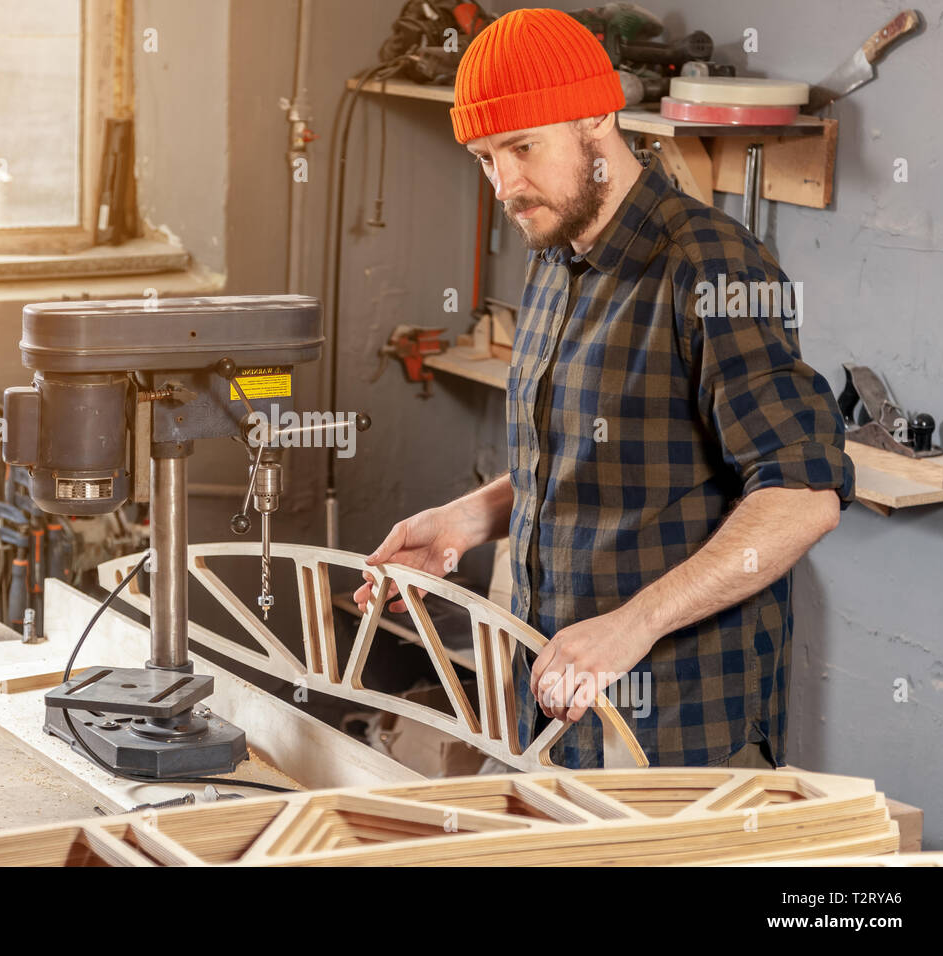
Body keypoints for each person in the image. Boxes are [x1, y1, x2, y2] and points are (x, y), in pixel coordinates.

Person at [352, 8, 854, 770]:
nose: (506, 186)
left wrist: (635, 624)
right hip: (551, 721)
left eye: (524, 147)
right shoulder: (556, 249)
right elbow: (583, 464)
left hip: (678, 740)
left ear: (597, 115)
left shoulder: (714, 266)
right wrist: (465, 519)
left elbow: (804, 495)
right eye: (486, 158)